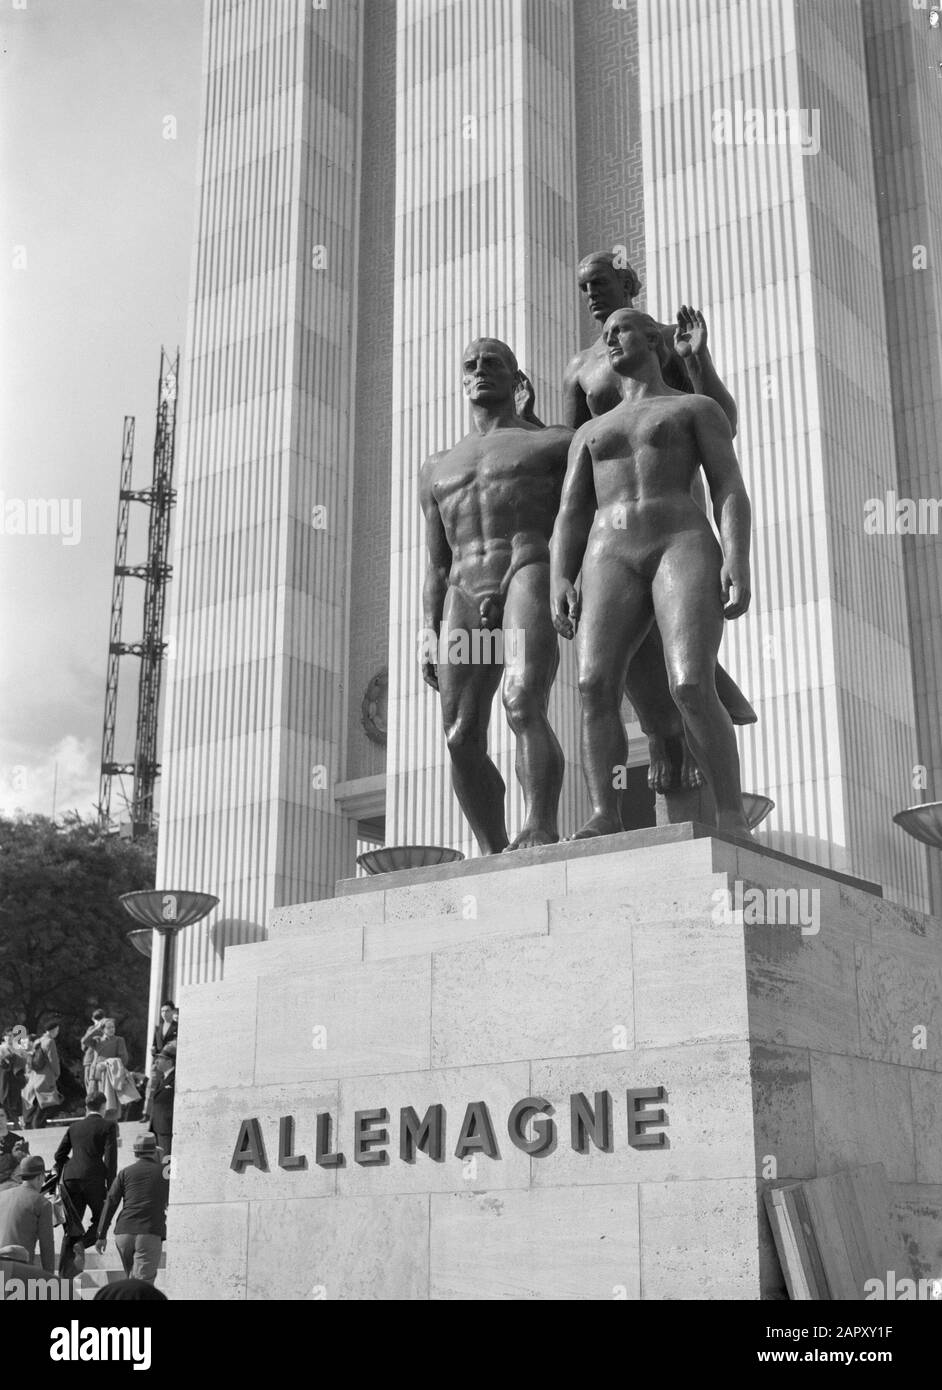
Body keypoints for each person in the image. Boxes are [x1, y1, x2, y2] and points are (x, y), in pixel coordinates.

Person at [550, 308, 753, 839]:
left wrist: (737, 557)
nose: (610, 338)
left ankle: (731, 814)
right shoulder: (589, 433)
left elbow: (729, 484)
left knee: (689, 682)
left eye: (622, 329)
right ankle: (604, 812)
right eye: (606, 333)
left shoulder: (693, 407)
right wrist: (558, 578)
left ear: (653, 340)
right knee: (594, 684)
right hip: (608, 554)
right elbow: (570, 514)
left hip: (679, 542)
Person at [419, 339, 572, 853]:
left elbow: (586, 510)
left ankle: (540, 826)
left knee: (523, 700)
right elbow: (437, 562)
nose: (481, 370)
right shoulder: (437, 466)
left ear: (516, 378)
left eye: (493, 363)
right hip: (464, 592)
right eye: (471, 365)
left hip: (524, 572)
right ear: (462, 380)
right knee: (460, 735)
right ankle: (493, 848)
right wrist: (427, 629)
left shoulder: (550, 443)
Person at [96, 1133, 169, 1286]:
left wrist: (101, 1234)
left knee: (132, 1282)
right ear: (154, 1152)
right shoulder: (164, 1173)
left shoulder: (125, 1172)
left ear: (135, 1153)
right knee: (142, 1286)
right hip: (149, 1232)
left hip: (123, 1234)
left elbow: (110, 1202)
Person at [53, 1091, 118, 1257]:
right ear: (104, 1106)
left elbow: (59, 1155)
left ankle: (64, 1273)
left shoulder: (74, 1127)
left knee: (72, 1226)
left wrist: (69, 1167)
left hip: (71, 1179)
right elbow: (111, 1160)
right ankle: (82, 1244)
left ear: (86, 1107)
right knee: (102, 1219)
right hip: (94, 1178)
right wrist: (111, 1187)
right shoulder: (109, 1126)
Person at [0, 1155, 55, 1270]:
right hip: (18, 1270)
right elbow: (47, 1246)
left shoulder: (2, 1196)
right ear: (40, 1177)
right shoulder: (42, 1203)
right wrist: (50, 1277)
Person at [22, 1019, 62, 1129]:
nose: (57, 1032)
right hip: (46, 1077)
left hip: (35, 1077)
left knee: (38, 1103)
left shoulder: (38, 1041)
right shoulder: (50, 1041)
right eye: (57, 1030)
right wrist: (57, 1073)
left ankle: (29, 1123)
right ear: (52, 1030)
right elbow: (53, 1060)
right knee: (48, 1103)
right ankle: (37, 1125)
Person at [147, 1054, 175, 1155]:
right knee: (160, 1159)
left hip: (166, 1127)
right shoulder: (163, 1077)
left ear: (169, 1061)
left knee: (166, 1160)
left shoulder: (175, 1077)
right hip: (158, 1126)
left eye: (160, 1059)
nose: (156, 1061)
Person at [0, 1028, 27, 1124]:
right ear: (4, 1037)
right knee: (6, 1100)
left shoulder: (17, 1048)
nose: (10, 1038)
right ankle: (14, 1122)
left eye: (12, 1036)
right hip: (5, 1078)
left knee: (17, 1100)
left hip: (16, 1079)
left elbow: (24, 1060)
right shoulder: (2, 1048)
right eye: (8, 1036)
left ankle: (19, 1121)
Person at [80, 1010, 108, 1094]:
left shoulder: (91, 1029)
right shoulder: (107, 1030)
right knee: (101, 1090)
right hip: (101, 1062)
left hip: (90, 1061)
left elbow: (83, 1047)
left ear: (92, 1019)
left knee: (90, 1091)